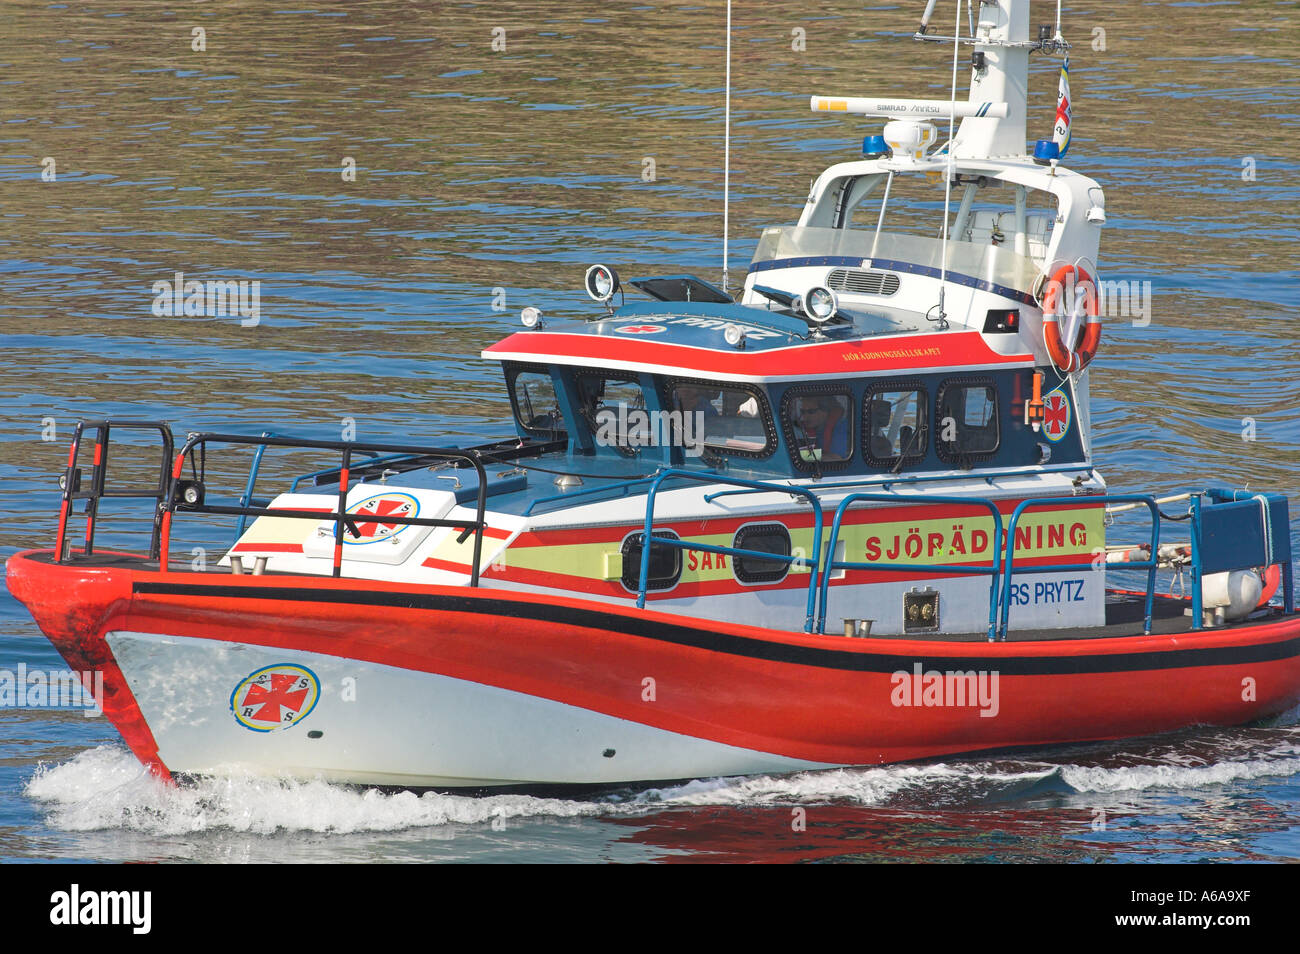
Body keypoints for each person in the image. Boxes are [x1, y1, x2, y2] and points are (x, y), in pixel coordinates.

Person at [796, 396, 849, 460]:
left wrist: (801, 456)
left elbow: (837, 457)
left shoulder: (842, 428)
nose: (805, 417)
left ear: (825, 411)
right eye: (803, 412)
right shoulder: (801, 430)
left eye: (811, 412)